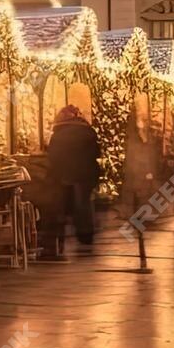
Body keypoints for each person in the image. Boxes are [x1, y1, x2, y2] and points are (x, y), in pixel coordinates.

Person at [44, 104, 101, 253]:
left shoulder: (58, 134)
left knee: (62, 204)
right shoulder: (88, 132)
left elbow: (53, 155)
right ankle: (86, 235)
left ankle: (58, 238)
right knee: (84, 203)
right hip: (85, 174)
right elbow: (96, 152)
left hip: (65, 174)